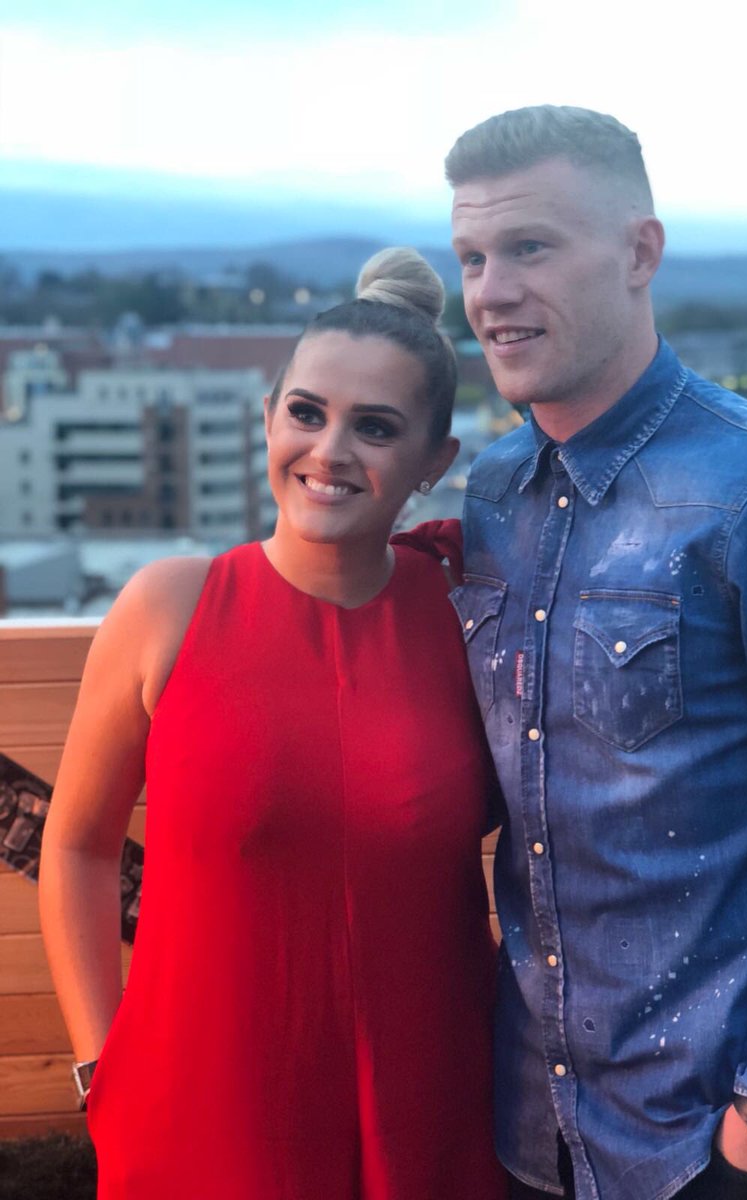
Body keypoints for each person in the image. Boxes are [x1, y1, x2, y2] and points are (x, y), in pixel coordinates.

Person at [445, 105, 747, 1200]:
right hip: (542, 1141)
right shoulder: (496, 497)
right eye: (472, 257)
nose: (493, 291)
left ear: (640, 253)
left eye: (530, 246)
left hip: (734, 1151)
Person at [38, 248, 508, 1200]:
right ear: (267, 418)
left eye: (375, 427)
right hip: (196, 1118)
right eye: (306, 412)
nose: (329, 451)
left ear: (434, 463)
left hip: (437, 1112)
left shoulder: (470, 617)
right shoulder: (165, 608)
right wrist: (99, 1066)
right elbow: (78, 847)